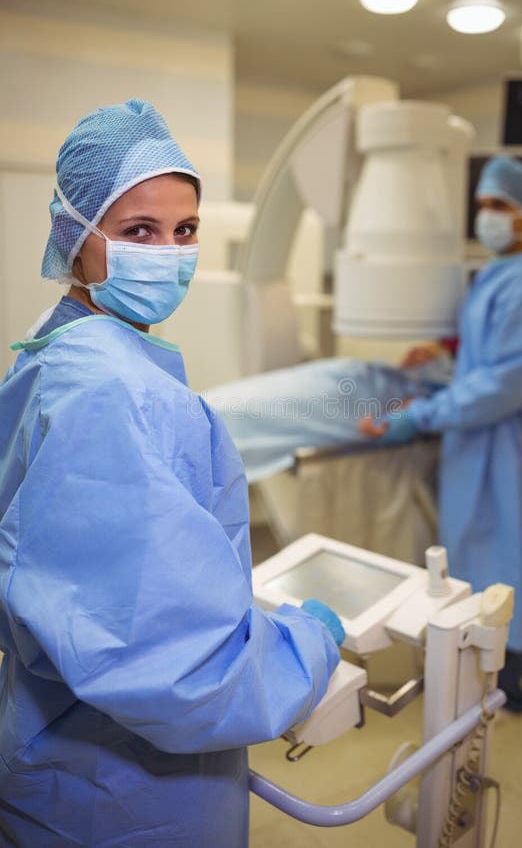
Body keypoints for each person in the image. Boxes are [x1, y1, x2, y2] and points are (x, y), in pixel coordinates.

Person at [0, 99, 345, 847]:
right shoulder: (114, 392)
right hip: (123, 786)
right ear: (74, 238)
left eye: (185, 230)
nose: (169, 252)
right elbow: (181, 670)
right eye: (138, 231)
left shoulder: (59, 347)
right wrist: (307, 646)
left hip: (58, 744)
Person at [360, 155, 522, 713]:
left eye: (498, 205)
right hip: (476, 440)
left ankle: (505, 675)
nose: (487, 216)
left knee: (499, 558)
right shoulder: (506, 270)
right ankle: (476, 664)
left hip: (500, 445)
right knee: (476, 556)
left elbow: (505, 382)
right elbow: (487, 347)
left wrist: (418, 415)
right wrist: (443, 349)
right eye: (482, 205)